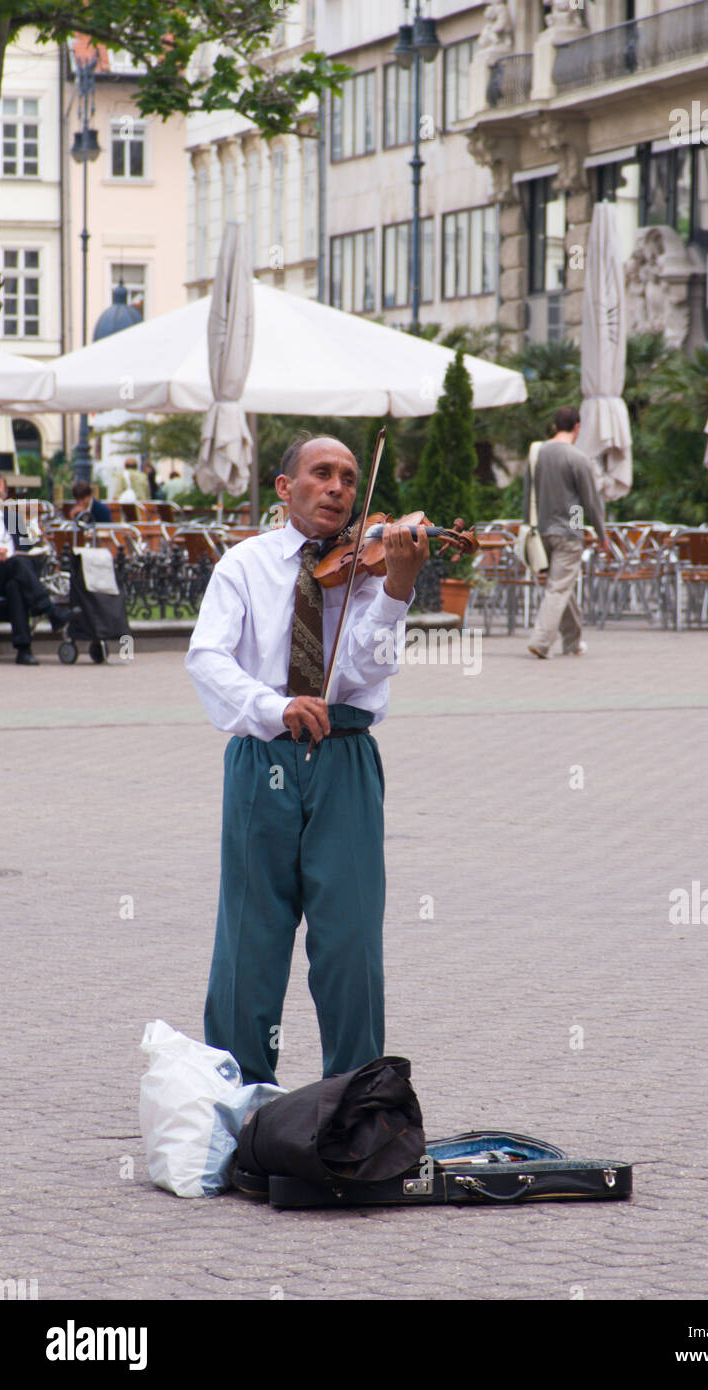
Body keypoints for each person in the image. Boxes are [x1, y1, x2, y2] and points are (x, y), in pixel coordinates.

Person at [185, 433, 429, 1086]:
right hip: (262, 756)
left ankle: (353, 1105)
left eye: (350, 478)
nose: (339, 488)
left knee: (351, 943)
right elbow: (206, 657)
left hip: (345, 758)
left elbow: (366, 669)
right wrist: (272, 707)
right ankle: (238, 1103)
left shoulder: (371, 565)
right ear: (285, 488)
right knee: (249, 939)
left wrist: (398, 591)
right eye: (322, 474)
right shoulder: (243, 565)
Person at [523, 405, 609, 659]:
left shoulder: (536, 453)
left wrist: (528, 527)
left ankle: (573, 642)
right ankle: (540, 641)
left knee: (560, 586)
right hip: (569, 532)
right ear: (577, 427)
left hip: (541, 530)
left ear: (554, 425)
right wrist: (601, 535)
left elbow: (528, 495)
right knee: (559, 589)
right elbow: (588, 502)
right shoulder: (578, 458)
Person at [0, 472, 65, 664]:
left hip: (13, 576)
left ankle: (23, 650)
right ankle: (50, 610)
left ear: (6, 496)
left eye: (0, 495)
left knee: (15, 585)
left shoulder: (14, 520)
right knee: (17, 564)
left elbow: (28, 550)